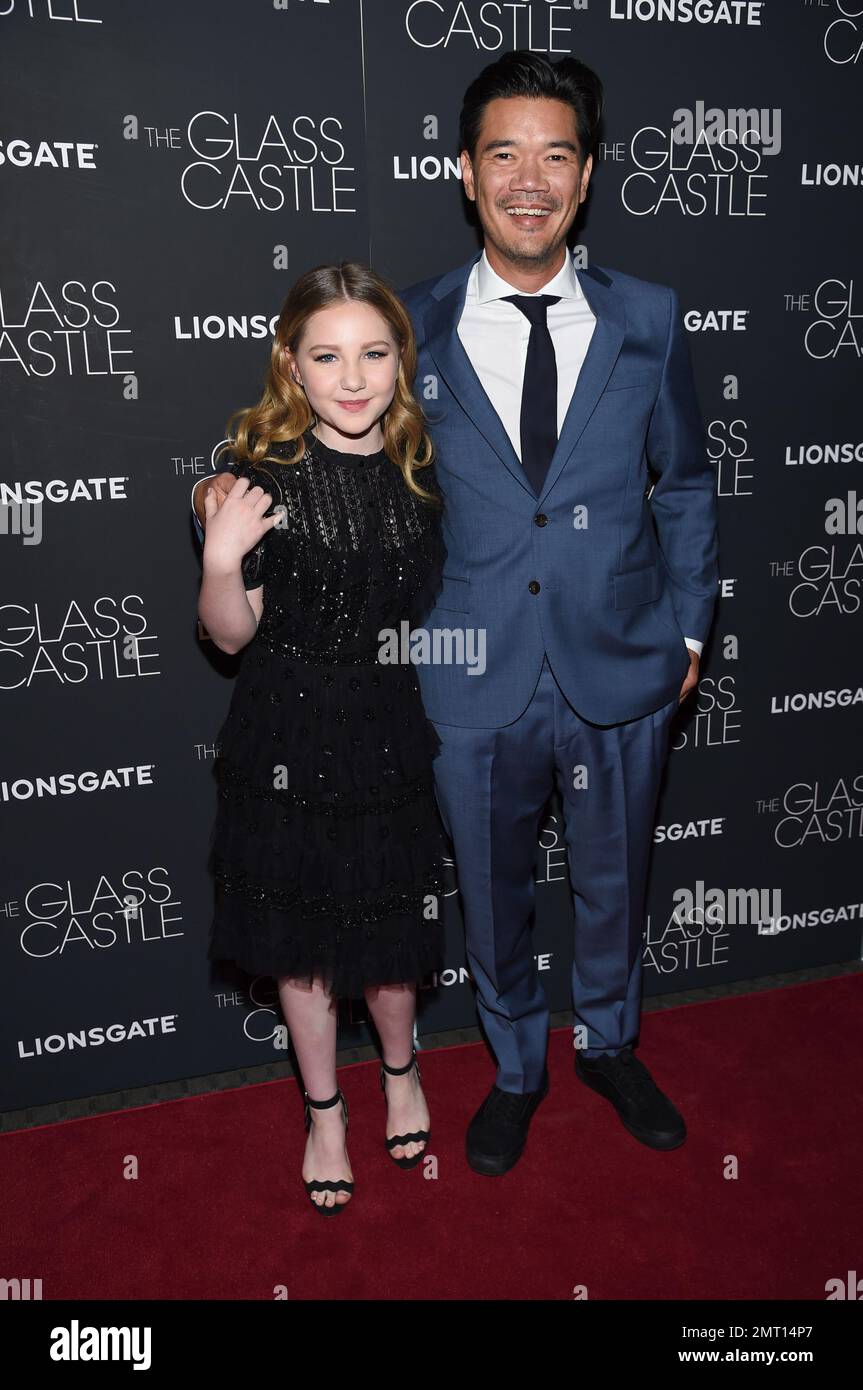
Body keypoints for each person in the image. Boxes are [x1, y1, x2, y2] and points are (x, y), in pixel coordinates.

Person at [194, 49, 720, 1180]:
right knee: (488, 895)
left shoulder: (649, 319)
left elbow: (681, 482)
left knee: (616, 881)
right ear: (464, 174)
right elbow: (303, 425)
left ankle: (613, 1045)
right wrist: (212, 497)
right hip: (462, 670)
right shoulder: (409, 323)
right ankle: (517, 1067)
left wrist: (685, 633)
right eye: (502, 155)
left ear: (584, 179)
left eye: (554, 155)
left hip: (621, 660)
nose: (527, 179)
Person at [195, 262, 447, 1214]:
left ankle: (401, 1073)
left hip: (386, 726)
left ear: (398, 360)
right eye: (327, 355)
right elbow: (227, 634)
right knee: (300, 949)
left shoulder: (422, 464)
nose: (353, 377)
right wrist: (221, 556)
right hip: (284, 728)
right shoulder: (256, 476)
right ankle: (325, 1114)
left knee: (388, 946)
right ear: (291, 368)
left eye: (373, 353)